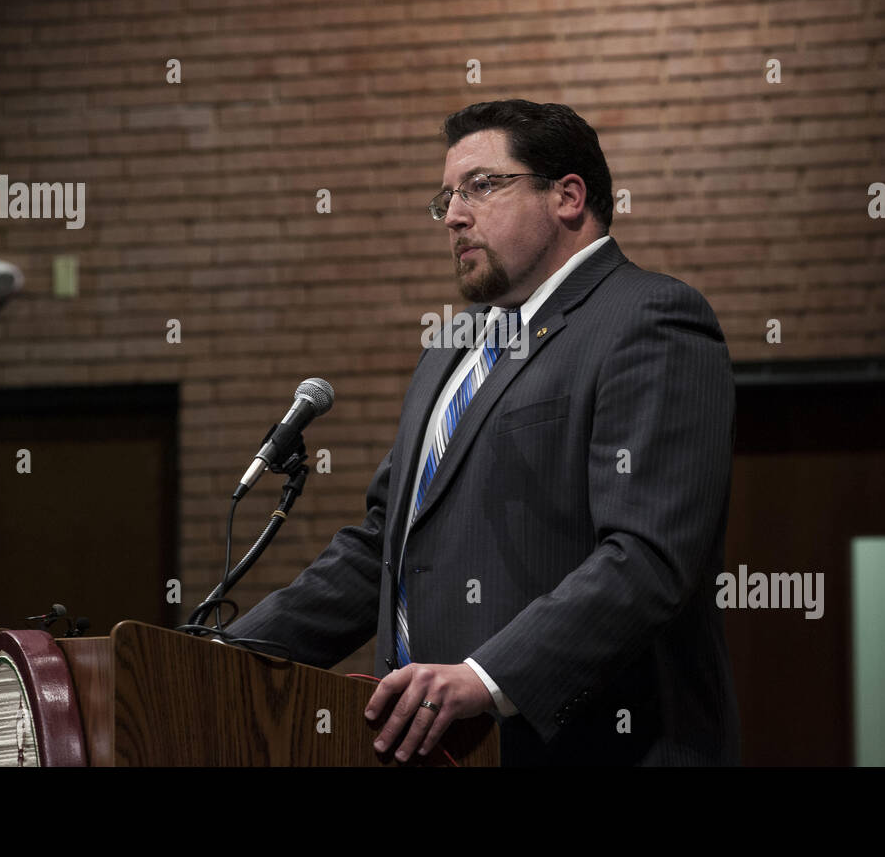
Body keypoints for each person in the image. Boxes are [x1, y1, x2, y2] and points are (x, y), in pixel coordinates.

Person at [228, 99, 739, 765]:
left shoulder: (649, 320)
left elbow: (646, 558)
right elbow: (380, 551)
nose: (454, 215)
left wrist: (487, 677)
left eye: (482, 185)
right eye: (445, 196)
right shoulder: (453, 347)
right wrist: (221, 654)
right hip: (428, 749)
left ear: (568, 195)